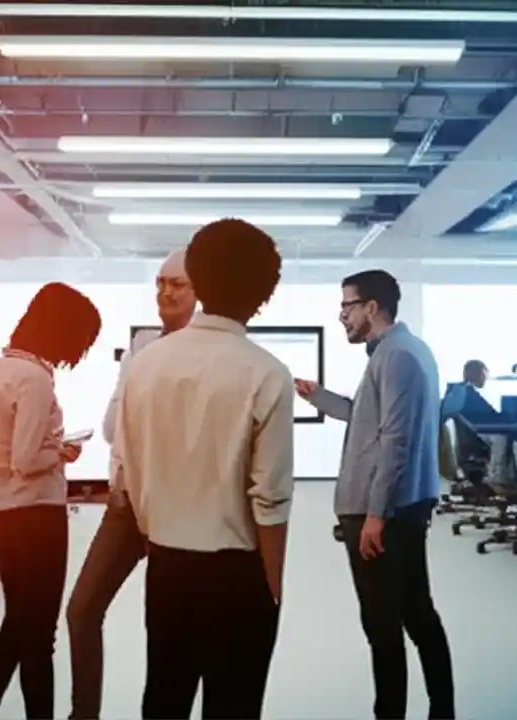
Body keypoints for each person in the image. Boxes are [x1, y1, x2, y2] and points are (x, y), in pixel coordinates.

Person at [120, 219, 293, 720]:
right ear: (263, 295)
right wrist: (273, 586)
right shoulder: (266, 373)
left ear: (196, 277)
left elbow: (132, 466)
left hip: (167, 564)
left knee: (164, 700)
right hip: (237, 573)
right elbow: (271, 497)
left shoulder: (146, 365)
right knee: (234, 707)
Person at [296, 269, 456, 720]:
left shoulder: (397, 356)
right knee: (416, 615)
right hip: (400, 507)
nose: (341, 316)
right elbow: (368, 417)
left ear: (372, 307)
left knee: (385, 627)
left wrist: (374, 515)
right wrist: (319, 397)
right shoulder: (401, 351)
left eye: (347, 306)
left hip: (386, 511)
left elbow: (396, 440)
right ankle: (441, 710)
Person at [66, 248, 197, 719]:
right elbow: (110, 423)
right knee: (81, 610)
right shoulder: (143, 344)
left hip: (173, 509)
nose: (165, 292)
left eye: (177, 284)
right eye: (161, 283)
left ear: (199, 291)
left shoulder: (204, 350)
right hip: (124, 503)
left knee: (167, 633)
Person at [0, 283, 103, 720]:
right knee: (38, 633)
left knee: (18, 624)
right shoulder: (35, 379)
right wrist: (62, 452)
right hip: (35, 513)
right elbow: (26, 459)